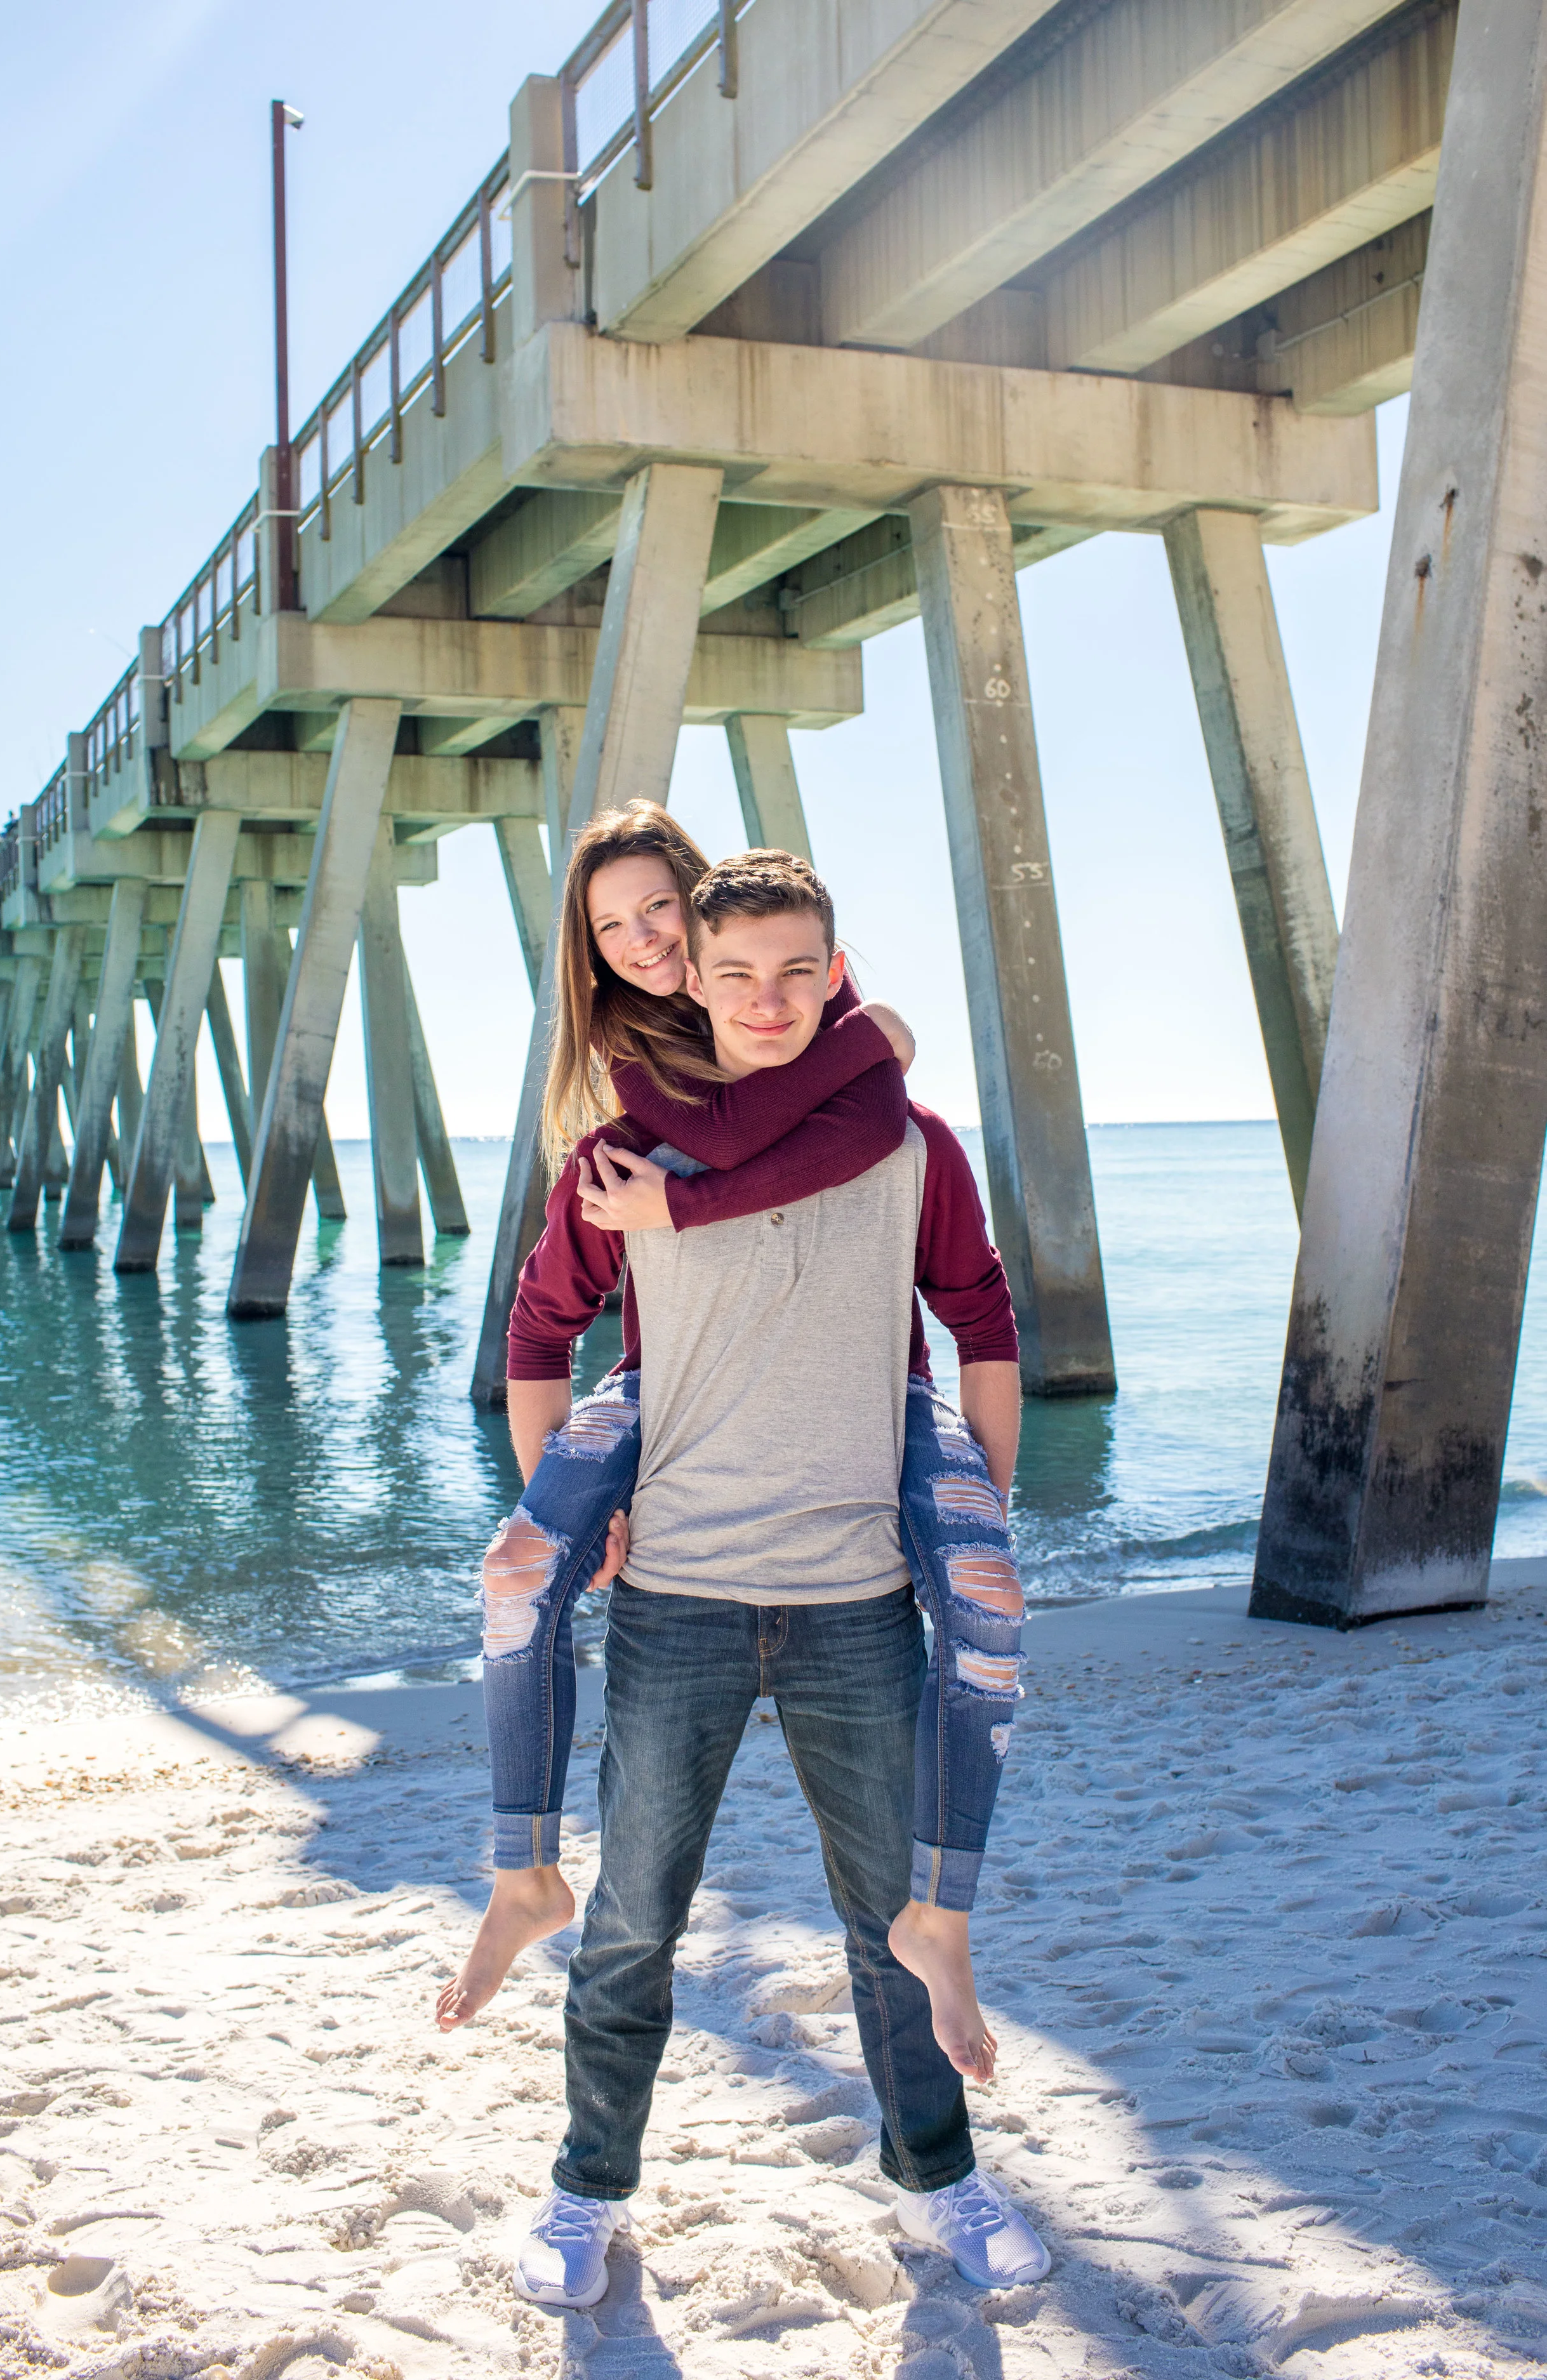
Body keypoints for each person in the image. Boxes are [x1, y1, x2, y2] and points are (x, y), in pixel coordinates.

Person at [494, 847, 1049, 2308]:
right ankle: (583, 2193)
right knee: (629, 1931)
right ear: (693, 977)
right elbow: (539, 1329)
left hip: (857, 1601)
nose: (764, 998)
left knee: (891, 1929)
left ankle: (941, 2182)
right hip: (673, 1597)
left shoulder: (911, 1142)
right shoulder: (623, 1160)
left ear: (836, 971)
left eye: (796, 970)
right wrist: (564, 1508)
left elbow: (980, 1312)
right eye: (732, 973)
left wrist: (977, 1503)